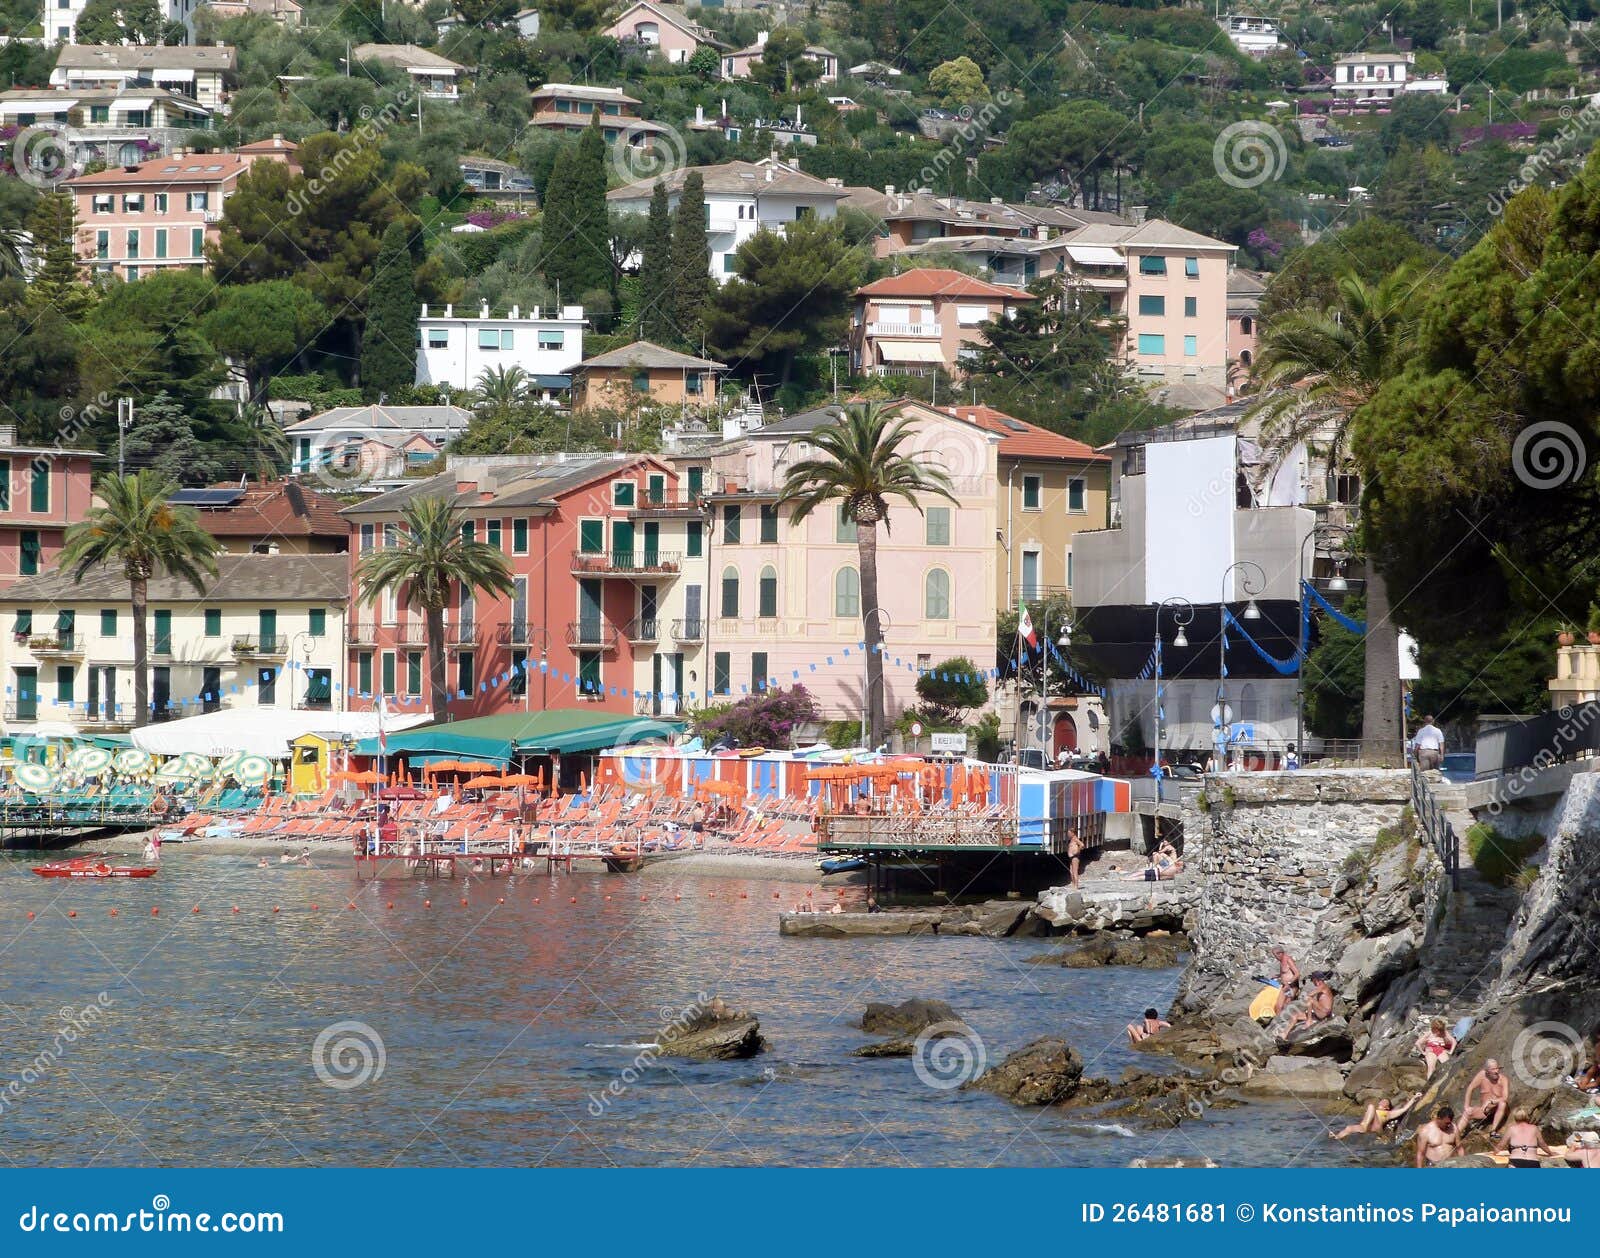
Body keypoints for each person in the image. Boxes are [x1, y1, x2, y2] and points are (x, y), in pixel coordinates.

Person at [1331, 1091, 1421, 1140]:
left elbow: (1403, 1109)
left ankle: (1365, 1126)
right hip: (1365, 1126)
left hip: (1375, 1127)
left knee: (1370, 1106)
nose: (1383, 1101)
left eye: (1386, 1101)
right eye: (1382, 1100)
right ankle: (1336, 1137)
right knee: (1349, 1128)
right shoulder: (1375, 1110)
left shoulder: (1388, 1114)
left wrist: (1414, 1098)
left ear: (1387, 1107)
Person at [1278, 973, 1335, 1042]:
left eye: (1312, 980)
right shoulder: (1321, 987)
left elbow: (1309, 995)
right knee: (1295, 1016)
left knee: (1309, 999)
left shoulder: (1323, 986)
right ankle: (1284, 1035)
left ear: (1316, 980)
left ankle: (1309, 1021)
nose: (1312, 982)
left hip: (1324, 1013)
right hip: (1320, 1013)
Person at [1463, 1059, 1511, 1133]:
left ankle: (1493, 1130)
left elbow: (1505, 1098)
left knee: (1502, 1103)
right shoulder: (1482, 1075)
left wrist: (1491, 1101)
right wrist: (1466, 1106)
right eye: (1493, 1069)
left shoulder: (1503, 1079)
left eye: (1497, 1068)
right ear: (1487, 1071)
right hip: (1485, 1111)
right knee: (1467, 1113)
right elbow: (1470, 1088)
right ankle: (1456, 1136)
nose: (1496, 1071)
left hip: (1497, 1109)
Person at [1271, 946, 1301, 1015]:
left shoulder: (1288, 960)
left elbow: (1297, 973)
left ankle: (1282, 1022)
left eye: (1275, 955)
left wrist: (1289, 983)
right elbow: (1286, 972)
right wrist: (1278, 975)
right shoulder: (1281, 961)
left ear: (1280, 953)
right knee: (1279, 1006)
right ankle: (1279, 1022)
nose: (1275, 958)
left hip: (1291, 986)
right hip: (1285, 986)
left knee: (1283, 1006)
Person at [1066, 825, 1083, 889]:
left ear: (1073, 833)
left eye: (1069, 833)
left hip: (1075, 857)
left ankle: (1076, 886)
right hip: (1071, 857)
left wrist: (1077, 851)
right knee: (1071, 871)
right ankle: (1073, 884)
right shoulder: (1071, 839)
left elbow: (1082, 845)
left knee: (1075, 871)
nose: (1068, 834)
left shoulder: (1075, 839)